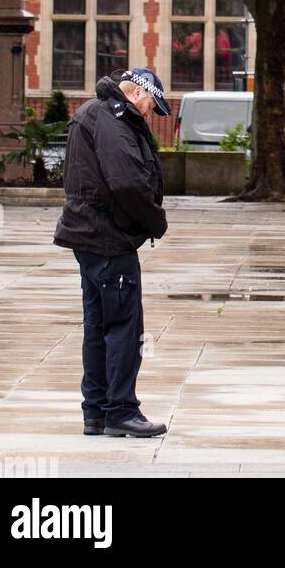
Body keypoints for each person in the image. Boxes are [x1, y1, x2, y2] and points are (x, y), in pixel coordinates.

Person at [53, 67, 170, 438]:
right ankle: (120, 409)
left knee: (98, 326)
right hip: (109, 238)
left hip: (89, 237)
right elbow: (127, 182)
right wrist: (155, 222)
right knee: (123, 327)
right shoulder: (111, 118)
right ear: (137, 93)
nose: (150, 112)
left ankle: (97, 411)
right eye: (151, 104)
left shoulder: (92, 112)